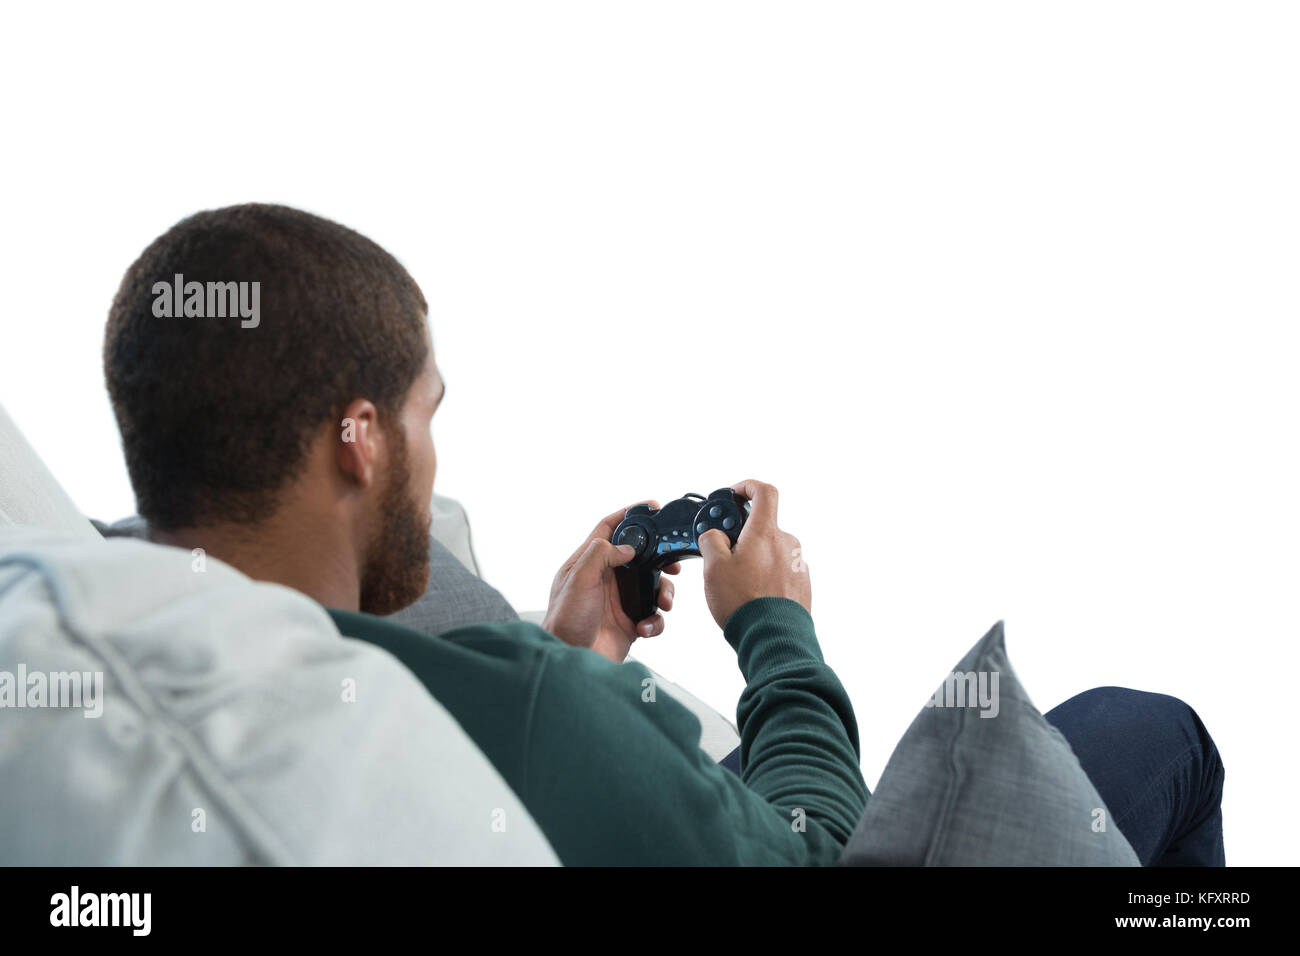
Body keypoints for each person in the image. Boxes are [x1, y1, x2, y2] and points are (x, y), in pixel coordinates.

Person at [102, 203, 1224, 866]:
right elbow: (815, 846)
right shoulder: (510, 708)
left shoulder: (108, 649)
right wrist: (777, 633)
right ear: (359, 441)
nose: (428, 450)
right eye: (423, 412)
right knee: (1147, 730)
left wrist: (577, 654)